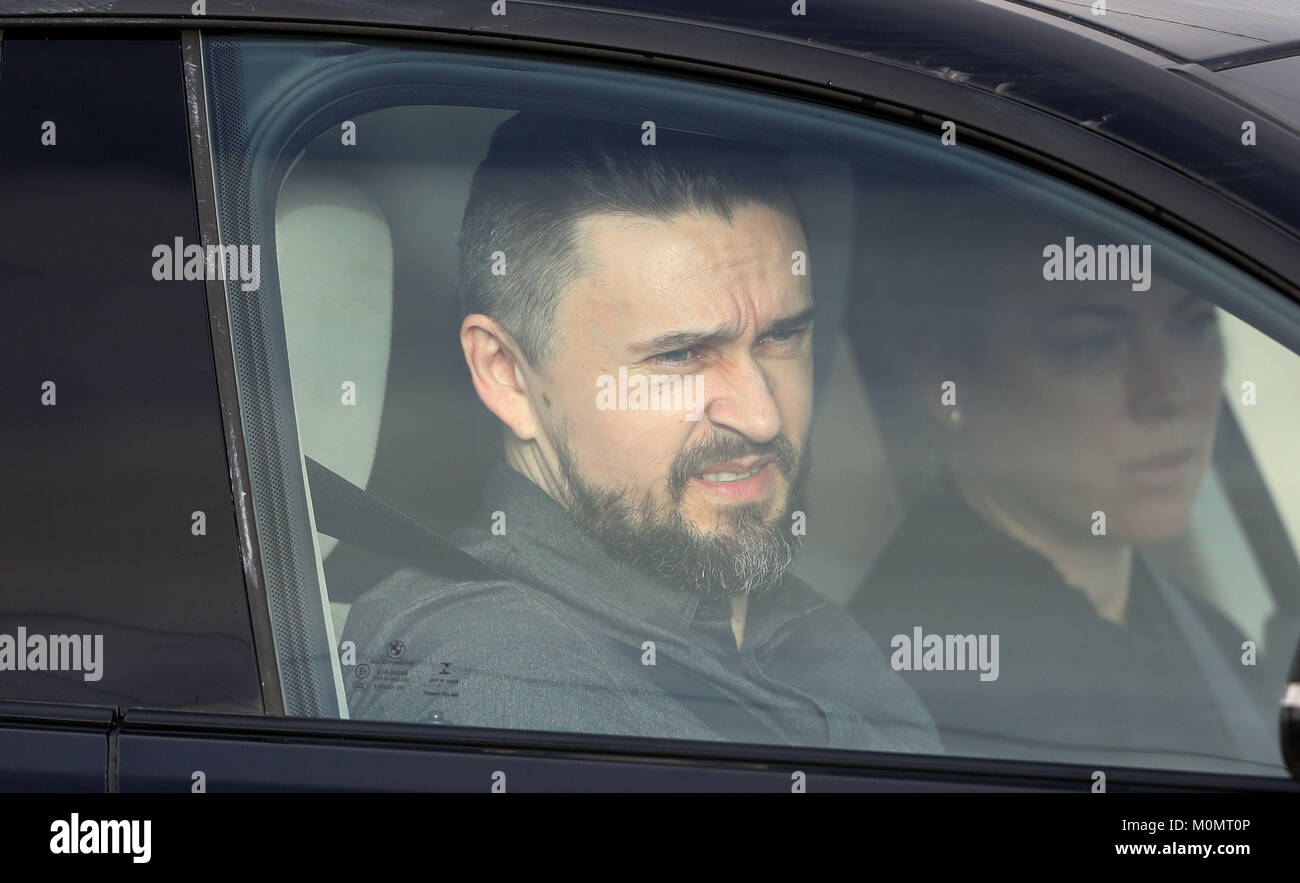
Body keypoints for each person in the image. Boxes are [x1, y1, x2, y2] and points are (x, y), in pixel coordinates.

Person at [343, 112, 939, 752]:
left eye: (781, 338)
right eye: (680, 356)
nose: (762, 416)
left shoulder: (812, 630)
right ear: (508, 374)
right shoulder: (495, 681)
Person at [849, 198, 1279, 771]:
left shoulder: (1208, 640)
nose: (1170, 392)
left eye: (1196, 325)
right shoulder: (925, 689)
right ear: (946, 379)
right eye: (1092, 344)